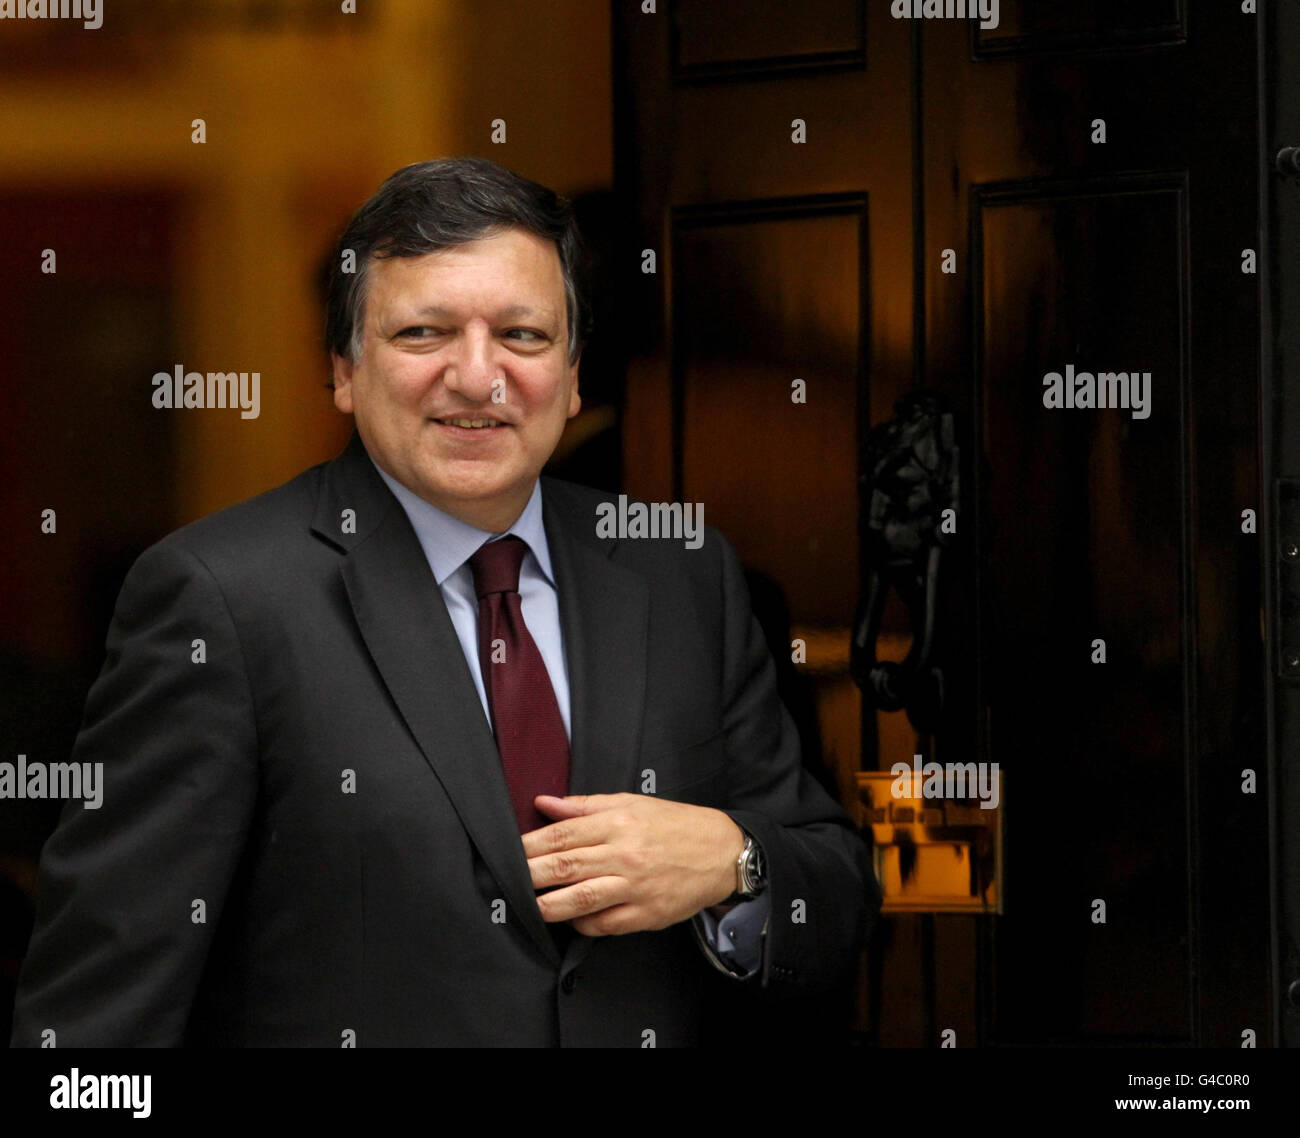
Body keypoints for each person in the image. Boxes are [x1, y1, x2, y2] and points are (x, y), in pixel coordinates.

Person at [10, 157, 880, 1047]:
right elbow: (94, 1024)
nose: (479, 376)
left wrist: (733, 863)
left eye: (524, 336)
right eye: (424, 333)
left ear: (575, 376)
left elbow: (837, 893)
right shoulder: (220, 599)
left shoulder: (681, 572)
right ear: (344, 371)